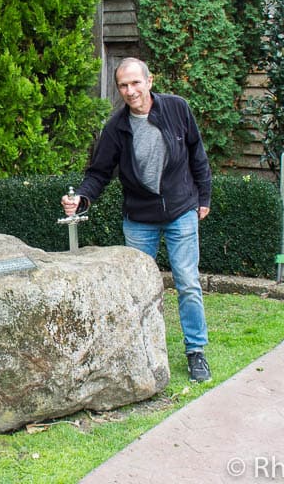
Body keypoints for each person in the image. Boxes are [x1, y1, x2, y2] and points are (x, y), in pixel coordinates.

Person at [61, 57, 213, 383]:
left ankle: (196, 352)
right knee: (140, 290)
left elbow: (197, 154)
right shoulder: (116, 128)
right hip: (139, 219)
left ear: (149, 81)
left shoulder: (177, 109)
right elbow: (99, 173)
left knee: (187, 283)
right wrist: (81, 199)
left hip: (181, 211)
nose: (130, 91)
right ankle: (143, 350)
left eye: (135, 83)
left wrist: (204, 198)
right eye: (123, 86)